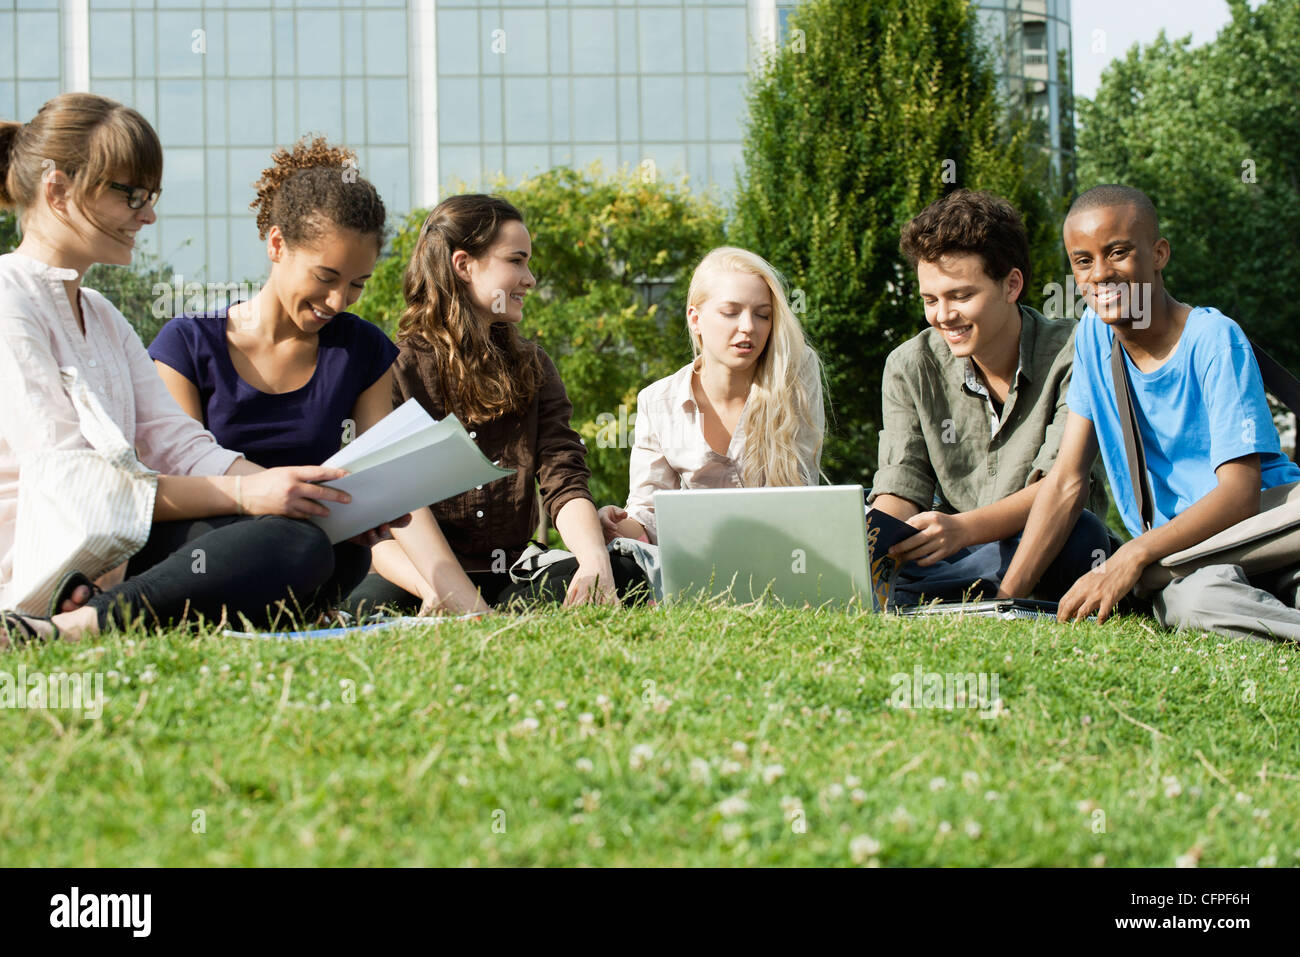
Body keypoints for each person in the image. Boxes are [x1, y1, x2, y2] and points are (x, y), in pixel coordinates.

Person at [0, 94, 391, 647]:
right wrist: (247, 497)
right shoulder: (8, 300)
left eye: (151, 196)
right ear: (58, 188)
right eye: (131, 194)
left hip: (113, 552)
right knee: (291, 545)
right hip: (44, 556)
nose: (149, 214)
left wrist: (305, 494)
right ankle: (68, 625)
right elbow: (76, 487)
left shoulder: (104, 317)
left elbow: (181, 446)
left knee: (319, 543)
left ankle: (99, 615)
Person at [998, 184, 1300, 640]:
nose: (1100, 274)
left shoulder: (1214, 339)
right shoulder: (1093, 339)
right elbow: (1066, 480)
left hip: (1267, 529)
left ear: (1158, 254)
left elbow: (1240, 495)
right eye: (1083, 261)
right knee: (1194, 603)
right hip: (1188, 554)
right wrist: (1007, 602)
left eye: (1118, 253)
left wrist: (1131, 555)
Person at [344, 194, 647, 615]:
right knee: (365, 610)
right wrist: (444, 594)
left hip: (507, 579)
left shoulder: (535, 368)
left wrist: (595, 563)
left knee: (624, 574)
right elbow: (380, 513)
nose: (530, 278)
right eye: (516, 261)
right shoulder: (392, 368)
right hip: (416, 578)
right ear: (464, 265)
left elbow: (563, 477)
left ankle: (497, 613)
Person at [870, 189, 1113, 605]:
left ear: (1011, 285)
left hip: (1042, 538)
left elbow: (1060, 484)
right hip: (952, 551)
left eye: (961, 296)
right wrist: (872, 545)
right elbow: (902, 485)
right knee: (870, 523)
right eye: (931, 299)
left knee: (1082, 535)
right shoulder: (909, 365)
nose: (943, 315)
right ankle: (909, 589)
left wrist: (965, 531)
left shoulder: (1077, 351)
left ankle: (957, 595)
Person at [597, 246, 824, 546]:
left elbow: (803, 488)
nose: (748, 327)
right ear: (695, 319)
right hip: (700, 561)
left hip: (785, 552)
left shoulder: (793, 374)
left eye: (763, 315)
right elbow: (647, 514)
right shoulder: (657, 401)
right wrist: (609, 524)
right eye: (730, 312)